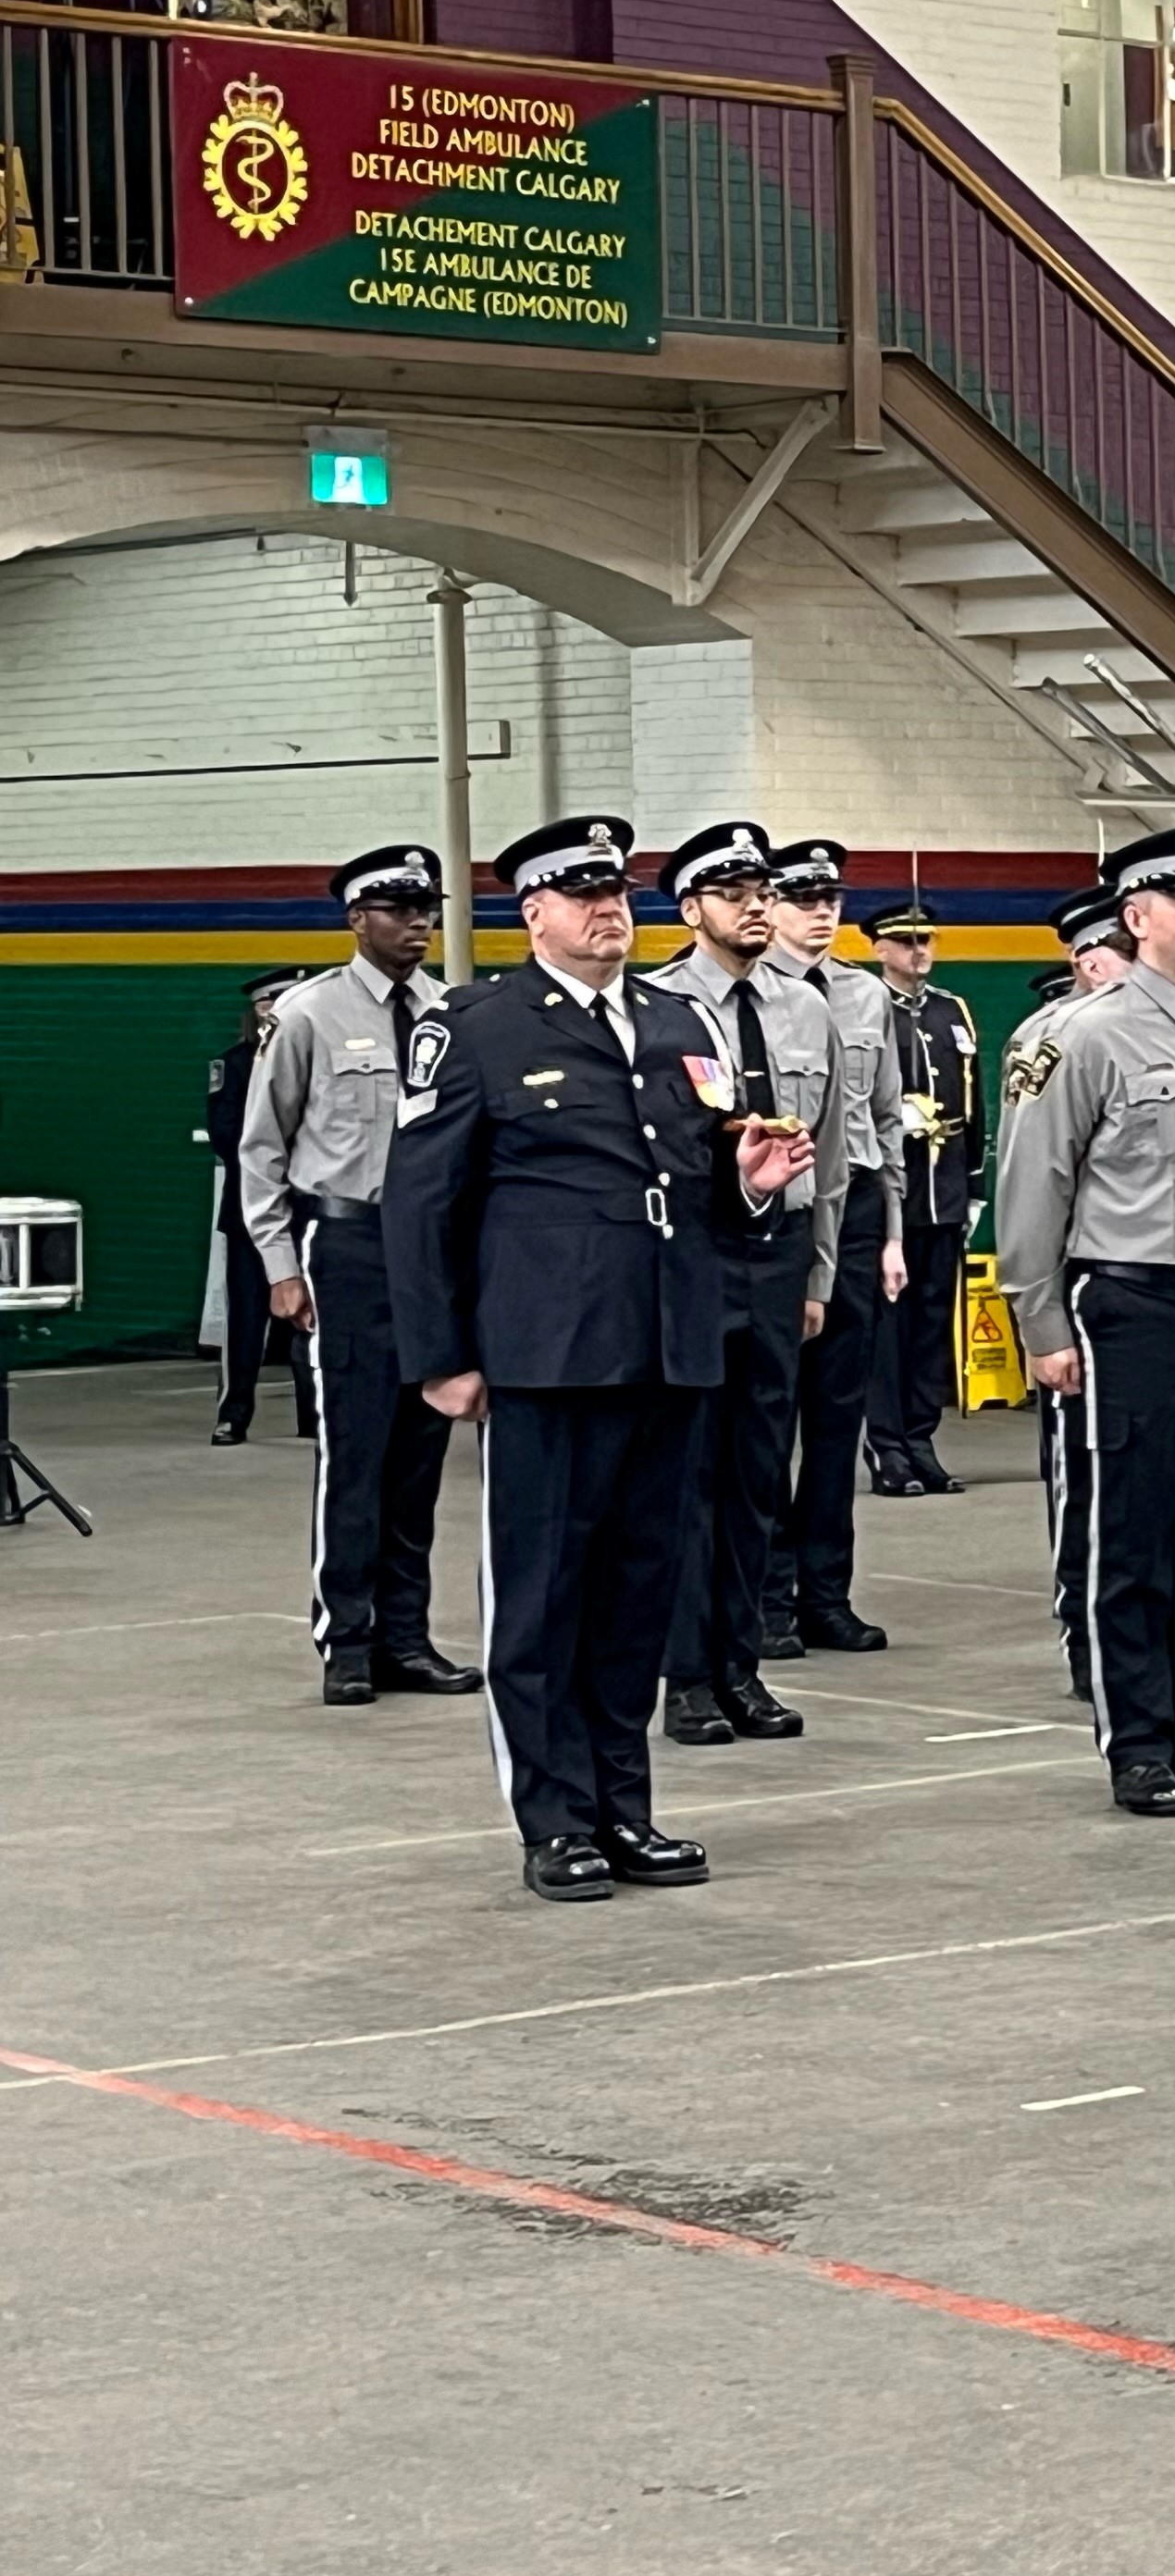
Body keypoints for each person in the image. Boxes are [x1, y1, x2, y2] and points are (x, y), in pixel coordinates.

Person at [385, 814, 811, 1902]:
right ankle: (554, 1820)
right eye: (580, 894)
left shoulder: (678, 1027)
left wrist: (754, 1186)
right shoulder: (476, 1029)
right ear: (533, 914)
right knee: (542, 1596)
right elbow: (420, 1204)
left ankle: (625, 1807)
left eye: (616, 891)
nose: (606, 908)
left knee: (637, 1593)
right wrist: (441, 1356)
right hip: (548, 1358)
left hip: (670, 1349)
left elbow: (705, 1190)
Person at [997, 824, 1175, 1818]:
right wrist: (1041, 1325)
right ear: (1137, 917)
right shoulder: (1076, 1036)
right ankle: (1138, 1745)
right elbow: (1033, 1187)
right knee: (1128, 1538)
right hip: (1131, 1306)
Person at [233, 846, 475, 1704]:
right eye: (398, 907)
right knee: (357, 1450)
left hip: (435, 1255)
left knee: (421, 1452)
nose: (418, 922)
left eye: (427, 907)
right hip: (347, 1248)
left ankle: (407, 1636)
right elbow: (262, 1149)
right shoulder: (309, 1016)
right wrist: (277, 1265)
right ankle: (348, 1636)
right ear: (355, 918)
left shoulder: (453, 1014)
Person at [641, 824, 842, 1747]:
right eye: (732, 892)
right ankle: (686, 1674)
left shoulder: (807, 1008)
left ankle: (742, 1665)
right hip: (697, 1252)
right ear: (690, 910)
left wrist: (817, 1272)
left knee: (761, 1469)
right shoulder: (659, 1009)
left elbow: (832, 1156)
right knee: (690, 1475)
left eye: (762, 890)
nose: (755, 906)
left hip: (779, 1253)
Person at [759, 839, 907, 1657]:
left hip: (850, 1220)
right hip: (776, 1219)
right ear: (770, 906)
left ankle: (826, 1592)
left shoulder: (863, 996)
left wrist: (890, 1233)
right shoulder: (757, 995)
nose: (823, 912)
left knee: (836, 1418)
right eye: (804, 898)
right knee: (769, 1416)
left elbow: (884, 1124)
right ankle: (768, 1595)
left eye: (832, 899)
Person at [1000, 891, 1135, 1700]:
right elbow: (1032, 1191)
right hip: (1094, 1290)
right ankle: (1089, 1637)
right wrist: (1042, 1320)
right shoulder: (1052, 1040)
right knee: (1086, 1485)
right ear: (1090, 963)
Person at [863, 894, 981, 1498]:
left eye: (927, 940)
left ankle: (920, 1438)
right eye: (907, 941)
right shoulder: (867, 1009)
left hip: (946, 1190)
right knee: (890, 1325)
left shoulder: (952, 1011)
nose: (920, 950)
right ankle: (886, 1445)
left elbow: (973, 1103)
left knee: (934, 1322)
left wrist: (976, 1186)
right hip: (894, 1192)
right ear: (880, 949)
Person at [205, 968, 318, 1447]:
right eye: (267, 1004)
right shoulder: (232, 1065)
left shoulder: (320, 1057)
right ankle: (234, 1413)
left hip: (312, 1208)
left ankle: (315, 1415)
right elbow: (227, 1136)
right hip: (252, 1209)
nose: (275, 1011)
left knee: (315, 1317)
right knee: (246, 1319)